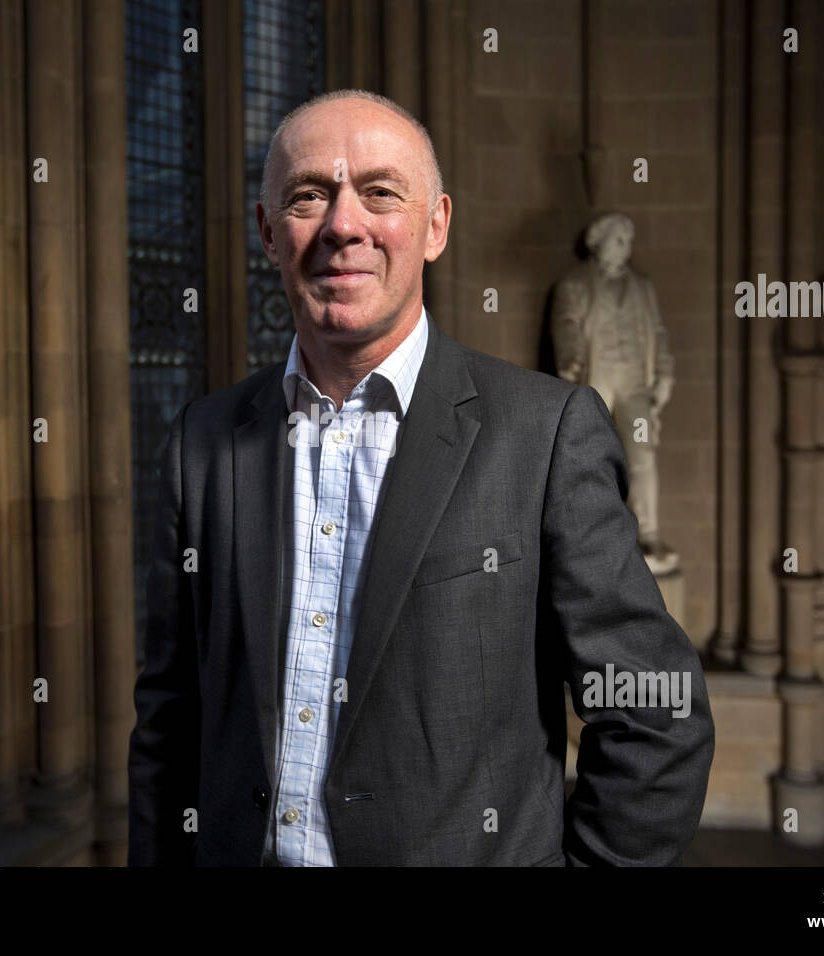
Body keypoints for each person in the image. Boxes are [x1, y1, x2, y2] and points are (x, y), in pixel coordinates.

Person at [127, 89, 714, 866]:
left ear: (435, 225)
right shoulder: (201, 444)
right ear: (268, 232)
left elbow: (655, 713)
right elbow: (171, 720)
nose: (344, 225)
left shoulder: (545, 434)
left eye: (379, 192)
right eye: (309, 195)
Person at [552, 212, 678, 574]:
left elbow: (658, 331)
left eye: (628, 239)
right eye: (618, 237)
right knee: (589, 457)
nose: (626, 245)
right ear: (598, 240)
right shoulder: (575, 283)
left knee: (642, 457)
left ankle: (648, 534)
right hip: (597, 380)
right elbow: (566, 325)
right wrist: (572, 359)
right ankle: (588, 536)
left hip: (634, 383)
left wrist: (665, 373)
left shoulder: (642, 286)